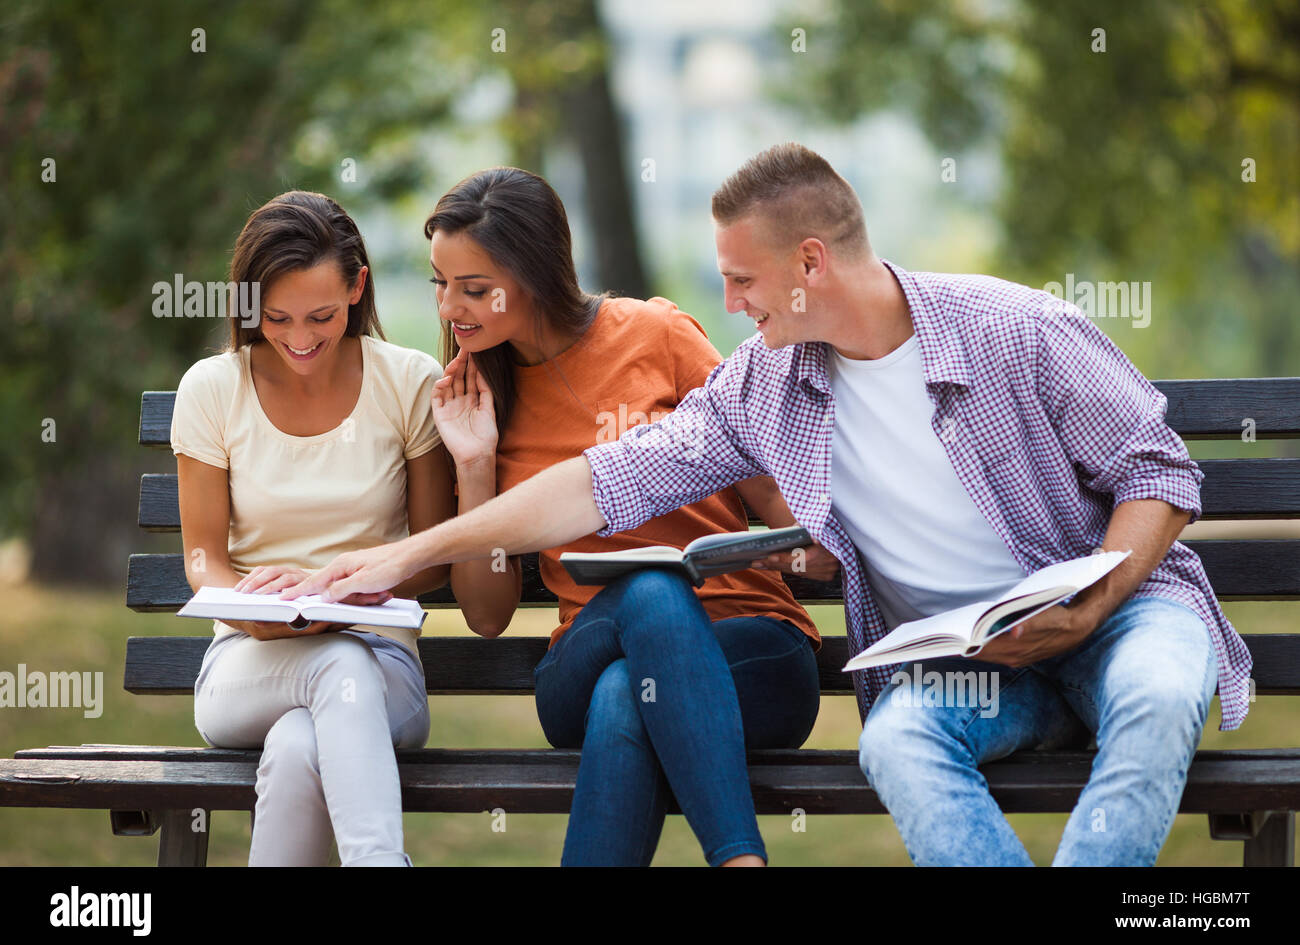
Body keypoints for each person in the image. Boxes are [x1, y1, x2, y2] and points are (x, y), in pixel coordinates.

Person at [284, 144, 1253, 866]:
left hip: (1120, 615)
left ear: (812, 264)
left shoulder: (1018, 330)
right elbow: (599, 483)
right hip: (971, 662)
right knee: (896, 741)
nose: (728, 298)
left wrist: (1090, 600)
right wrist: (399, 557)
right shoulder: (766, 386)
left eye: (742, 278)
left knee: (1159, 696)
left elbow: (1158, 473)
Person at [417, 166, 826, 866]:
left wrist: (809, 543)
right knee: (648, 593)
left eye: (476, 289)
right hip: (583, 660)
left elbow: (773, 501)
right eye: (440, 283)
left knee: (627, 696)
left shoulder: (658, 335)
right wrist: (476, 464)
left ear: (537, 273)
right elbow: (486, 616)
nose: (452, 307)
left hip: (753, 649)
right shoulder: (476, 398)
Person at [172, 190, 454, 866]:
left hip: (383, 667)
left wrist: (343, 589)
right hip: (247, 662)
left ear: (358, 287)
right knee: (331, 666)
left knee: (302, 741)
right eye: (277, 318)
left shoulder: (408, 382)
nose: (300, 338)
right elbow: (204, 559)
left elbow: (434, 560)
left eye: (321, 316)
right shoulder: (213, 389)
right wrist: (255, 608)